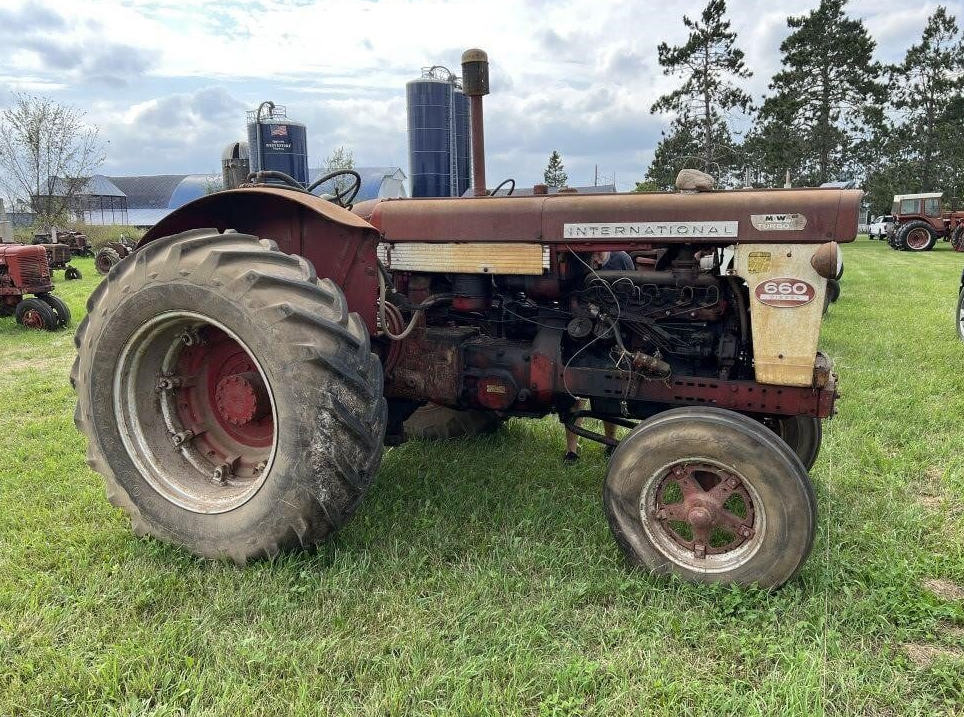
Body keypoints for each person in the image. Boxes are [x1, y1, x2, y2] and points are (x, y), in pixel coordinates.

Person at [563, 250, 634, 464]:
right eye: (591, 255)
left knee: (608, 391)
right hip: (582, 333)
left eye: (597, 254)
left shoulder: (622, 259)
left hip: (611, 334)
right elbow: (569, 294)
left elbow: (632, 294)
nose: (595, 259)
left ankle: (610, 444)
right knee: (576, 394)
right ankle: (571, 451)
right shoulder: (577, 259)